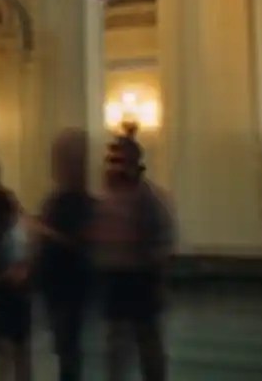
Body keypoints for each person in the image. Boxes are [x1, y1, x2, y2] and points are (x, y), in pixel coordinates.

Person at [96, 126, 174, 381]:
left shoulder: (148, 199)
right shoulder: (106, 198)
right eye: (112, 160)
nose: (114, 167)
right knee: (116, 345)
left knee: (147, 341)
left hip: (141, 277)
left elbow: (162, 239)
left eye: (119, 160)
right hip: (115, 278)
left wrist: (156, 271)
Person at [34, 128, 96, 381]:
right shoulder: (56, 200)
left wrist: (45, 232)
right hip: (55, 282)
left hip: (71, 281)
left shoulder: (81, 202)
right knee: (63, 342)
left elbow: (81, 241)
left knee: (68, 341)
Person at [0, 186, 33, 381]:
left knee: (14, 348)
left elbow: (20, 271)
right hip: (8, 296)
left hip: (13, 296)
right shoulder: (8, 233)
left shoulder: (15, 235)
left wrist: (2, 276)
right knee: (11, 348)